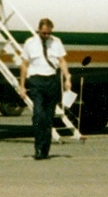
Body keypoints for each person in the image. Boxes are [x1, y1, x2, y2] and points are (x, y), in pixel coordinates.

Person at [18, 18, 71, 160]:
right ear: (39, 30)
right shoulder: (30, 43)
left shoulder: (56, 42)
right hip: (36, 81)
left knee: (48, 118)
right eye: (43, 33)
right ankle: (38, 147)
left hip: (51, 81)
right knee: (38, 115)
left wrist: (67, 78)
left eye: (48, 33)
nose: (46, 36)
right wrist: (22, 86)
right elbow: (24, 64)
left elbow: (62, 61)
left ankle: (44, 150)